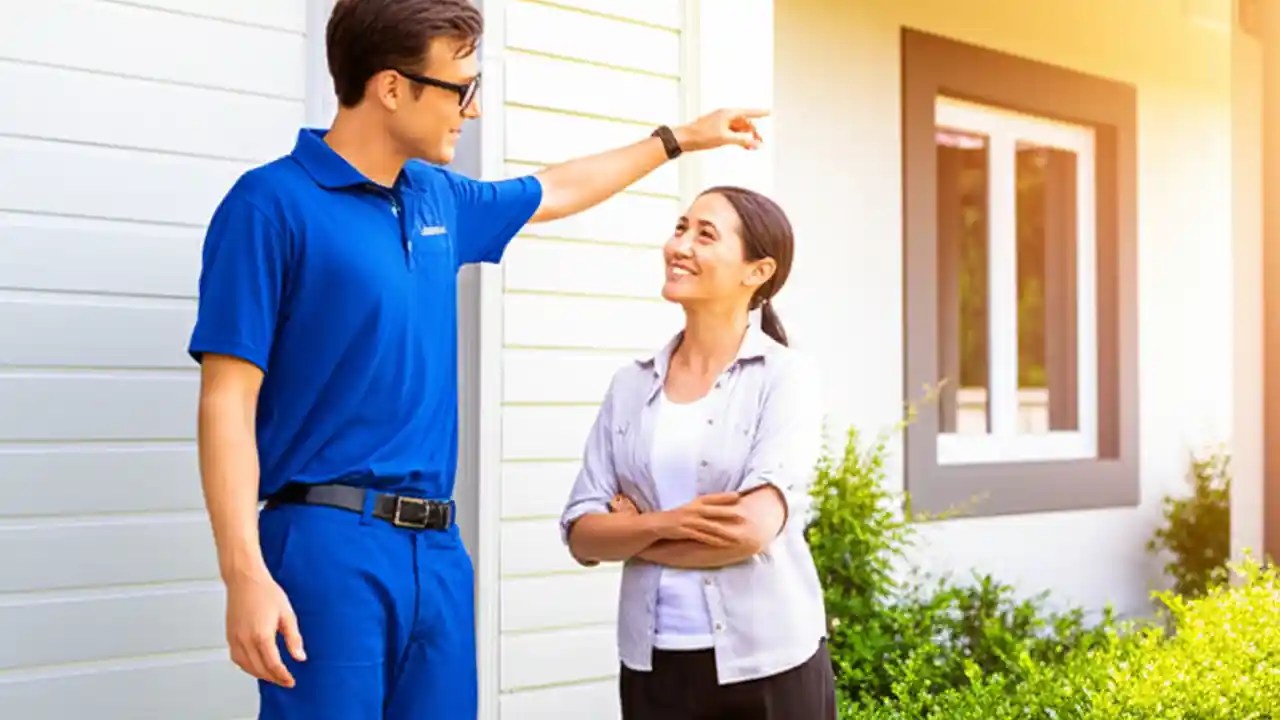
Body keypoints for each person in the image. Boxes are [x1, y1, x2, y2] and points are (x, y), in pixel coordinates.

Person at [187, 0, 766, 717]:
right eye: (461, 88)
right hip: (326, 544)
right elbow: (226, 399)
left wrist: (677, 139)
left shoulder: (437, 198)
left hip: (438, 551)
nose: (475, 110)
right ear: (392, 88)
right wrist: (243, 572)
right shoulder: (270, 206)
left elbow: (555, 190)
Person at [559, 186, 837, 719]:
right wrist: (676, 523)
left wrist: (637, 534)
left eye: (704, 235)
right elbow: (581, 532)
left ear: (756, 271)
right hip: (653, 666)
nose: (678, 245)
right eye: (680, 227)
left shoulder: (786, 378)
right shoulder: (629, 385)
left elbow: (750, 531)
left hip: (769, 664)